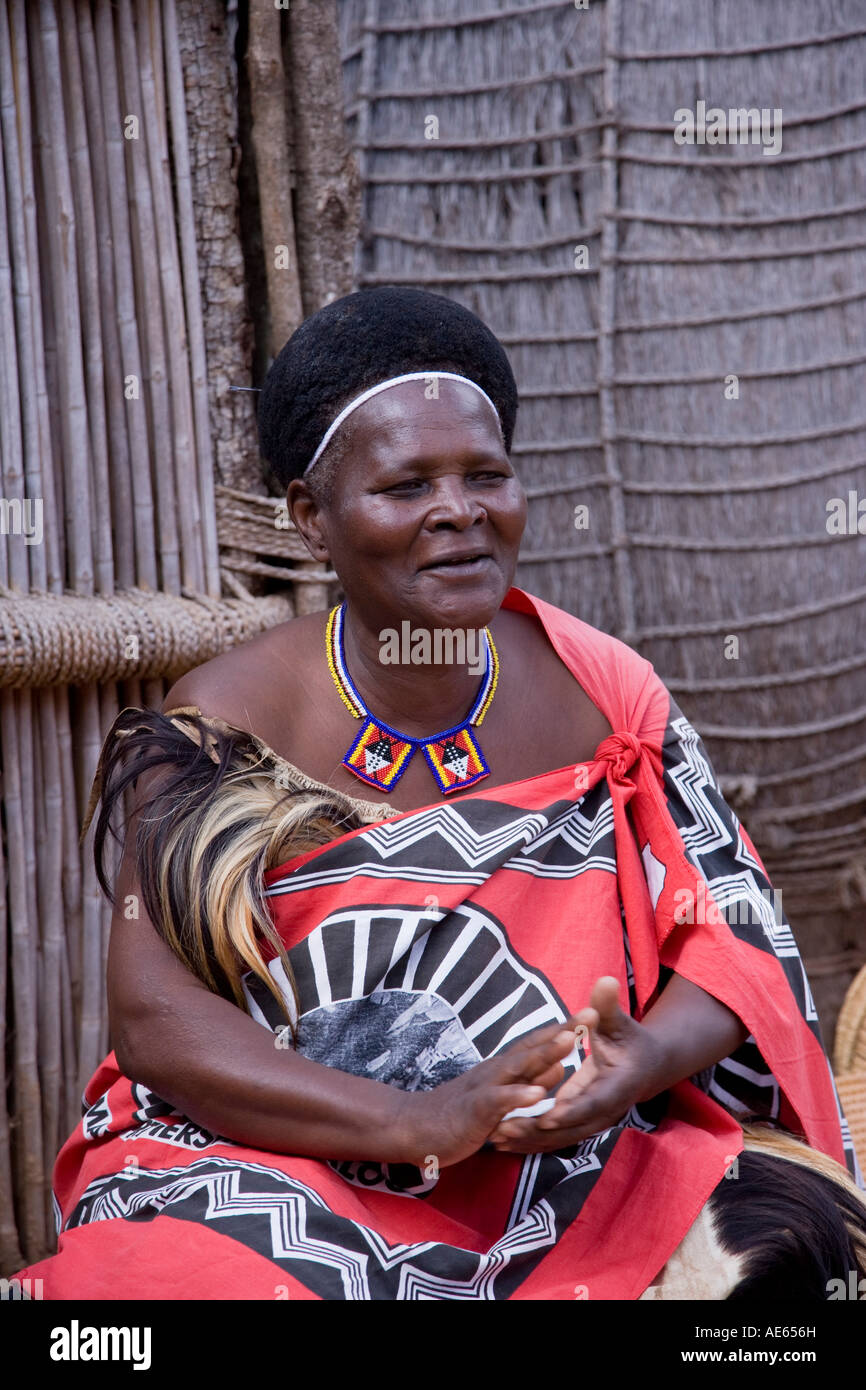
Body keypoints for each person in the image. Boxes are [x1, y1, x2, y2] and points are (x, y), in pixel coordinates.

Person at [14, 288, 860, 1300]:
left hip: (565, 1161)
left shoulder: (603, 693)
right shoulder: (225, 719)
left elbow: (727, 934)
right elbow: (159, 1022)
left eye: (484, 475)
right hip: (286, 1159)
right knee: (174, 1288)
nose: (458, 510)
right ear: (309, 518)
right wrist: (423, 1120)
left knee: (784, 1249)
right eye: (406, 484)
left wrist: (635, 1066)